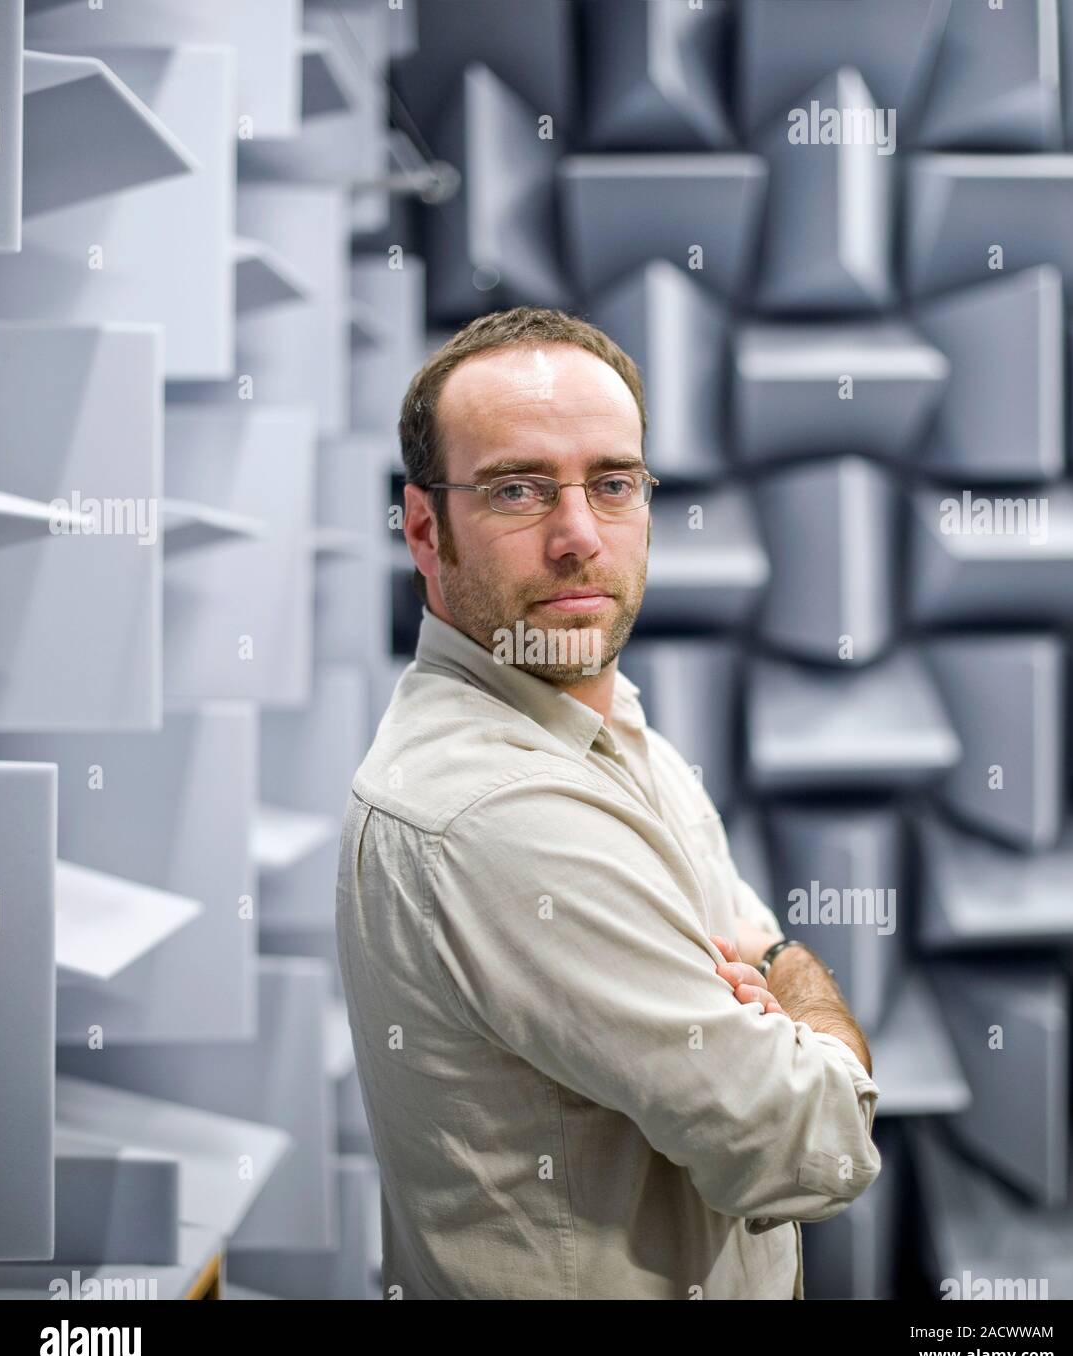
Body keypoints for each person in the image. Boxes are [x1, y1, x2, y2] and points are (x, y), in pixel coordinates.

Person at [335, 306, 881, 1299]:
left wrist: (778, 976)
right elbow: (812, 1146)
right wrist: (824, 1017)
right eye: (516, 489)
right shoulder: (495, 813)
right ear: (425, 527)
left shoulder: (602, 715)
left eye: (613, 483)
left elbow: (752, 940)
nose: (579, 536)